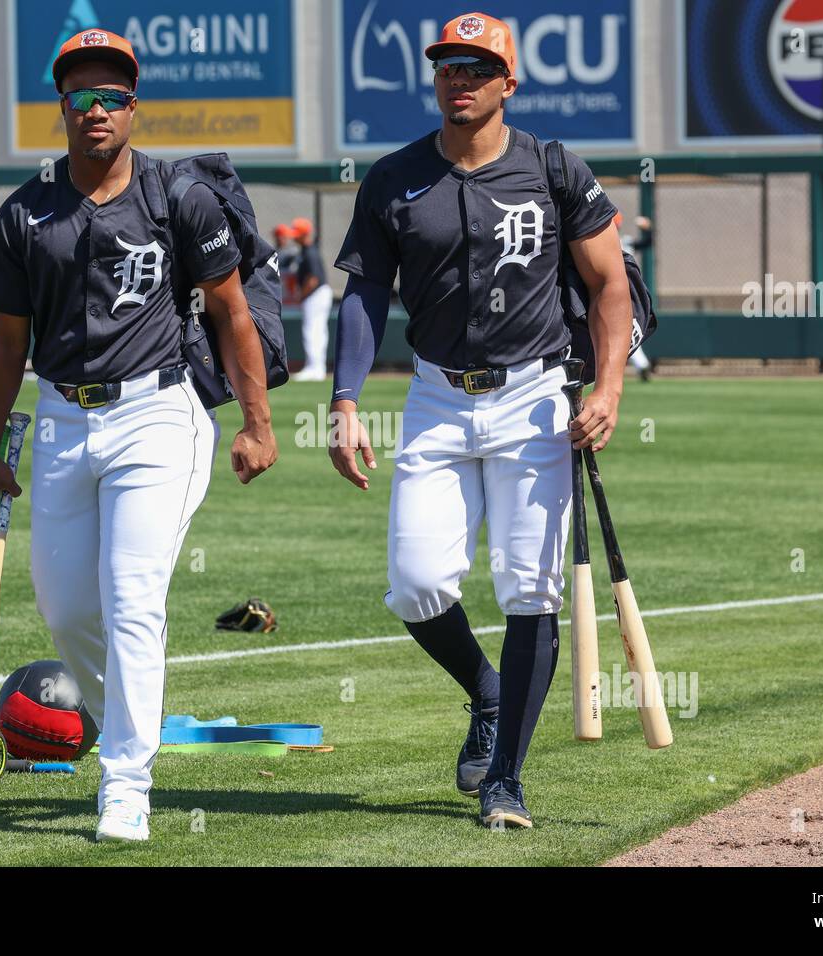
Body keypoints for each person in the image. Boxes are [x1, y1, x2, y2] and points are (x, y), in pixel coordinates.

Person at [0, 28, 277, 843]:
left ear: (134, 109)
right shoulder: (26, 212)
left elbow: (232, 313)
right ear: (60, 110)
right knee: (68, 611)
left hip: (157, 416)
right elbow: (4, 347)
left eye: (112, 96)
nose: (96, 109)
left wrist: (256, 423)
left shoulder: (179, 197)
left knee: (131, 597)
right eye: (80, 97)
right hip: (64, 420)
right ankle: (125, 725)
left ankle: (126, 784)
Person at [327, 11, 631, 828]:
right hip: (433, 397)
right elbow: (361, 294)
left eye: (475, 68)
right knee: (417, 584)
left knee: (530, 591)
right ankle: (486, 690)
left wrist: (607, 390)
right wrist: (345, 400)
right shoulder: (393, 178)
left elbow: (609, 284)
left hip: (533, 399)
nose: (458, 81)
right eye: (447, 68)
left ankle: (507, 780)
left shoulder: (554, 168)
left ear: (507, 83)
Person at [291, 217, 333, 381]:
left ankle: (314, 368)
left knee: (312, 331)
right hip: (317, 294)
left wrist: (301, 296)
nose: (294, 237)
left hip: (316, 294)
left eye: (297, 234)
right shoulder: (306, 250)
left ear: (305, 234)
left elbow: (313, 279)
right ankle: (316, 367)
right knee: (317, 331)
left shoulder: (310, 252)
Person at [615, 213, 654, 382]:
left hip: (623, 292)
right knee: (625, 331)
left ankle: (642, 364)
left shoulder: (624, 241)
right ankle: (642, 365)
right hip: (625, 292)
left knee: (624, 331)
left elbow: (646, 243)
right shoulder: (623, 242)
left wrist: (648, 230)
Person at [273, 223, 301, 307]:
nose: (281, 239)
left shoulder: (293, 252)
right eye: (279, 236)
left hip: (290, 287)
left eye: (283, 236)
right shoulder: (273, 251)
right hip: (279, 286)